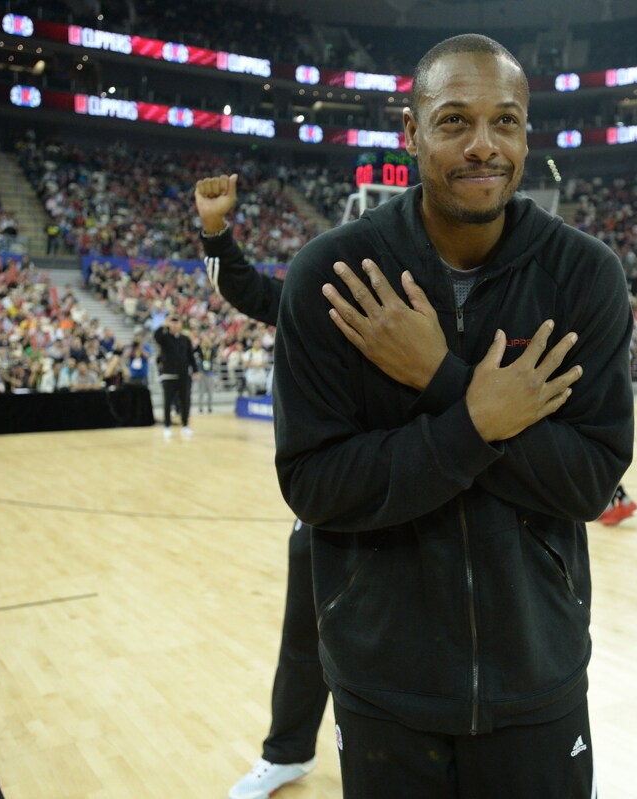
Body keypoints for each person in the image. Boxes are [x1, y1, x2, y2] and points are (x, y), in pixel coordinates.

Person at [272, 33, 632, 799]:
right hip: (383, 680)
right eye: (453, 121)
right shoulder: (330, 279)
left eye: (505, 121)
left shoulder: (584, 275)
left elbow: (590, 483)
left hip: (538, 673)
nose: (483, 145)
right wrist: (475, 423)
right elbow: (315, 485)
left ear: (527, 134)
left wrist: (440, 378)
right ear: (410, 132)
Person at [195, 173, 467, 799]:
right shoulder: (328, 288)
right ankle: (287, 751)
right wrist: (215, 232)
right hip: (340, 498)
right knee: (304, 637)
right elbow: (244, 289)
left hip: (430, 494)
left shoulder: (462, 297)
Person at [154, 316, 197, 438]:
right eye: (172, 323)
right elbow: (156, 336)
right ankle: (167, 426)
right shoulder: (165, 338)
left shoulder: (185, 339)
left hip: (184, 376)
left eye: (177, 322)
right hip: (169, 376)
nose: (175, 325)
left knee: (185, 401)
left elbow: (190, 356)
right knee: (168, 402)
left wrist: (195, 370)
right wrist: (163, 325)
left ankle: (185, 425)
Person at [196, 334, 218, 413]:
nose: (206, 343)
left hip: (210, 372)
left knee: (210, 391)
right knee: (201, 391)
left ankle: (210, 407)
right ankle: (200, 407)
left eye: (207, 341)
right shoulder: (199, 349)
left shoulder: (212, 350)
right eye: (204, 342)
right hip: (202, 372)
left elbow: (216, 356)